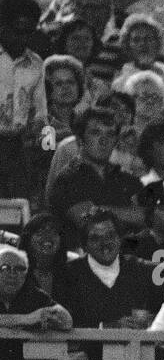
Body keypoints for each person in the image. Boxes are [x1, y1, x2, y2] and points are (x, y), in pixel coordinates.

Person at [47, 104, 144, 250]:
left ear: (116, 141)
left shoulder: (127, 178)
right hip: (80, 261)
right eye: (95, 133)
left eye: (110, 134)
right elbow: (90, 222)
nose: (103, 140)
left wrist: (100, 209)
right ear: (80, 140)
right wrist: (127, 213)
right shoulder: (67, 180)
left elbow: (146, 216)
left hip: (126, 256)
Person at [0, 0, 46, 202]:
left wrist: (42, 143)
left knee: (18, 201)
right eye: (17, 31)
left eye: (29, 32)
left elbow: (40, 112)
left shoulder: (36, 64)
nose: (23, 39)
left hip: (16, 145)